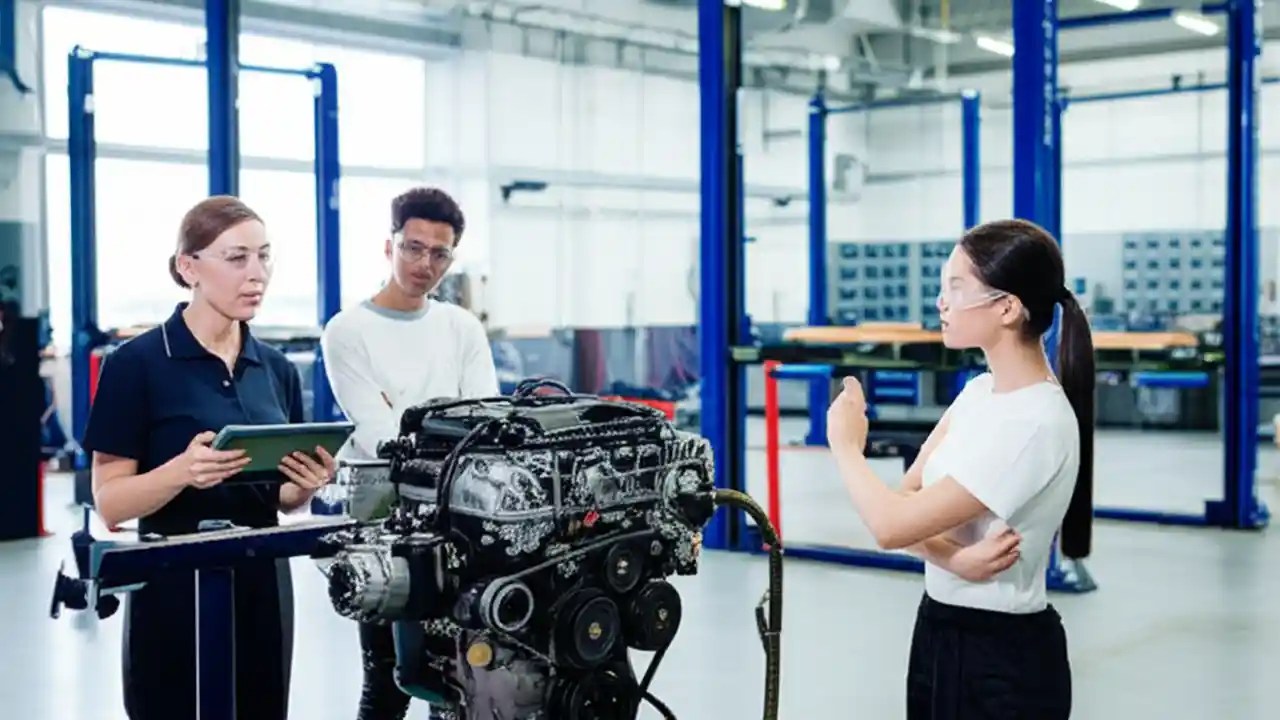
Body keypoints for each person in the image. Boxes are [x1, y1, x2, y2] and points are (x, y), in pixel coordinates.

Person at [82, 195, 337, 720]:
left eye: (265, 256)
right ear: (188, 267)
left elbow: (281, 499)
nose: (257, 274)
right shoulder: (136, 366)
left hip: (262, 585)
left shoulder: (275, 369)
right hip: (172, 587)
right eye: (237, 258)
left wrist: (302, 486)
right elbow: (111, 504)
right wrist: (180, 472)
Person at [825, 218, 1092, 720]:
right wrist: (953, 559)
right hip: (939, 629)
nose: (940, 302)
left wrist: (844, 446)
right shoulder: (977, 394)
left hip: (1000, 658)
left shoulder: (1035, 422)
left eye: (956, 287)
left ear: (1008, 308)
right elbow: (906, 499)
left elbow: (890, 526)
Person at [320, 186, 498, 720]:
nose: (425, 264)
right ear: (388, 245)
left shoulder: (462, 327)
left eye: (439, 253)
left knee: (462, 678)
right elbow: (380, 436)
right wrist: (445, 434)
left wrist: (417, 421)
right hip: (384, 524)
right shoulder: (347, 331)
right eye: (413, 248)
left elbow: (485, 421)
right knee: (390, 678)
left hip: (463, 521)